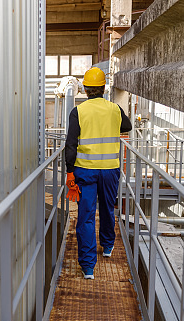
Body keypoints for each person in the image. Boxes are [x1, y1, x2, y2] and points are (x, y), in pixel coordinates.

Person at [65, 67, 132, 279]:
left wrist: (69, 172)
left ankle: (87, 267)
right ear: (103, 88)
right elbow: (127, 126)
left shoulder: (78, 112)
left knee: (86, 216)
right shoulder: (114, 109)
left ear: (85, 89)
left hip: (85, 170)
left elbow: (70, 145)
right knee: (107, 209)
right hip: (110, 170)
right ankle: (108, 246)